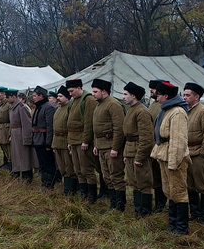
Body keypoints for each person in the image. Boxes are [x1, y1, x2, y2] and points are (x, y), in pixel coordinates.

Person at [150, 81, 191, 235]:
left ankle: (181, 226)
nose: (156, 97)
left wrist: (174, 163)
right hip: (164, 155)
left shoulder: (178, 112)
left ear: (166, 96)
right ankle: (172, 223)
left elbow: (179, 141)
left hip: (174, 157)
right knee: (169, 191)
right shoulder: (167, 110)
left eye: (159, 95)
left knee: (178, 191)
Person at [183, 82, 204, 225]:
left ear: (196, 97)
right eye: (183, 94)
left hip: (198, 154)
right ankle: (195, 213)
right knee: (190, 185)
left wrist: (203, 154)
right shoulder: (185, 111)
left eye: (188, 95)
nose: (184, 97)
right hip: (187, 154)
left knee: (202, 186)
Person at [92, 78, 126, 212]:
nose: (93, 94)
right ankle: (113, 204)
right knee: (106, 176)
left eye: (95, 91)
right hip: (101, 146)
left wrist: (115, 148)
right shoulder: (99, 105)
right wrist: (96, 145)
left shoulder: (113, 105)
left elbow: (119, 128)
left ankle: (120, 205)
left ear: (104, 91)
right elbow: (97, 127)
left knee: (116, 176)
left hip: (111, 147)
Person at [122, 82, 155, 218]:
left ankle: (145, 212)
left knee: (143, 183)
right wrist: (126, 154)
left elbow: (146, 138)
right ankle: (138, 210)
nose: (123, 97)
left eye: (125, 94)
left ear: (133, 96)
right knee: (134, 183)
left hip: (138, 151)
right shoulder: (131, 109)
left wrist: (140, 157)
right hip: (130, 151)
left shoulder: (142, 112)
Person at [66, 78, 99, 201]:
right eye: (69, 91)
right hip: (73, 140)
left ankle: (91, 195)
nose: (70, 93)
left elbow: (89, 122)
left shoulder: (88, 100)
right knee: (78, 169)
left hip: (82, 140)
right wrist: (69, 141)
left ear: (79, 88)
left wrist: (86, 140)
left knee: (87, 169)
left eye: (72, 90)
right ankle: (83, 193)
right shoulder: (73, 101)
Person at [7, 88, 38, 182]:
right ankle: (17, 173)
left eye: (8, 97)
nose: (7, 99)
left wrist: (27, 139)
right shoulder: (13, 107)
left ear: (13, 96)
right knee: (17, 156)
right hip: (15, 134)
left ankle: (27, 177)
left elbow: (27, 124)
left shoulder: (22, 107)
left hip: (21, 135)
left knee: (24, 157)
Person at [31, 85, 56, 188]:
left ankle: (49, 184)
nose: (33, 98)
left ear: (41, 96)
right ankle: (44, 183)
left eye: (35, 96)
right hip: (38, 138)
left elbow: (50, 126)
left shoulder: (48, 107)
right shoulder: (39, 106)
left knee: (48, 163)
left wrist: (48, 142)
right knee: (42, 163)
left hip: (44, 138)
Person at [148, 79, 167, 212]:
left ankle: (164, 204)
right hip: (153, 146)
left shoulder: (165, 106)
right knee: (155, 177)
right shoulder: (153, 105)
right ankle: (159, 203)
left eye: (153, 90)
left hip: (162, 146)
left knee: (163, 177)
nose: (151, 92)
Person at [52, 86, 75, 195]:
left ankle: (71, 190)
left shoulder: (70, 108)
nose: (58, 98)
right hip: (57, 142)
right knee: (62, 167)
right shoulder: (58, 110)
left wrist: (70, 142)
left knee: (69, 167)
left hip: (66, 141)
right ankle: (66, 189)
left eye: (61, 96)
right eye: (58, 96)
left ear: (67, 97)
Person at [0, 86, 12, 170]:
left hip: (6, 129)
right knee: (4, 149)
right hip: (1, 129)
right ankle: (8, 164)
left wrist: (10, 133)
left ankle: (12, 167)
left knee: (9, 151)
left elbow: (11, 119)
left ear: (3, 94)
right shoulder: (1, 105)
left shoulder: (8, 105)